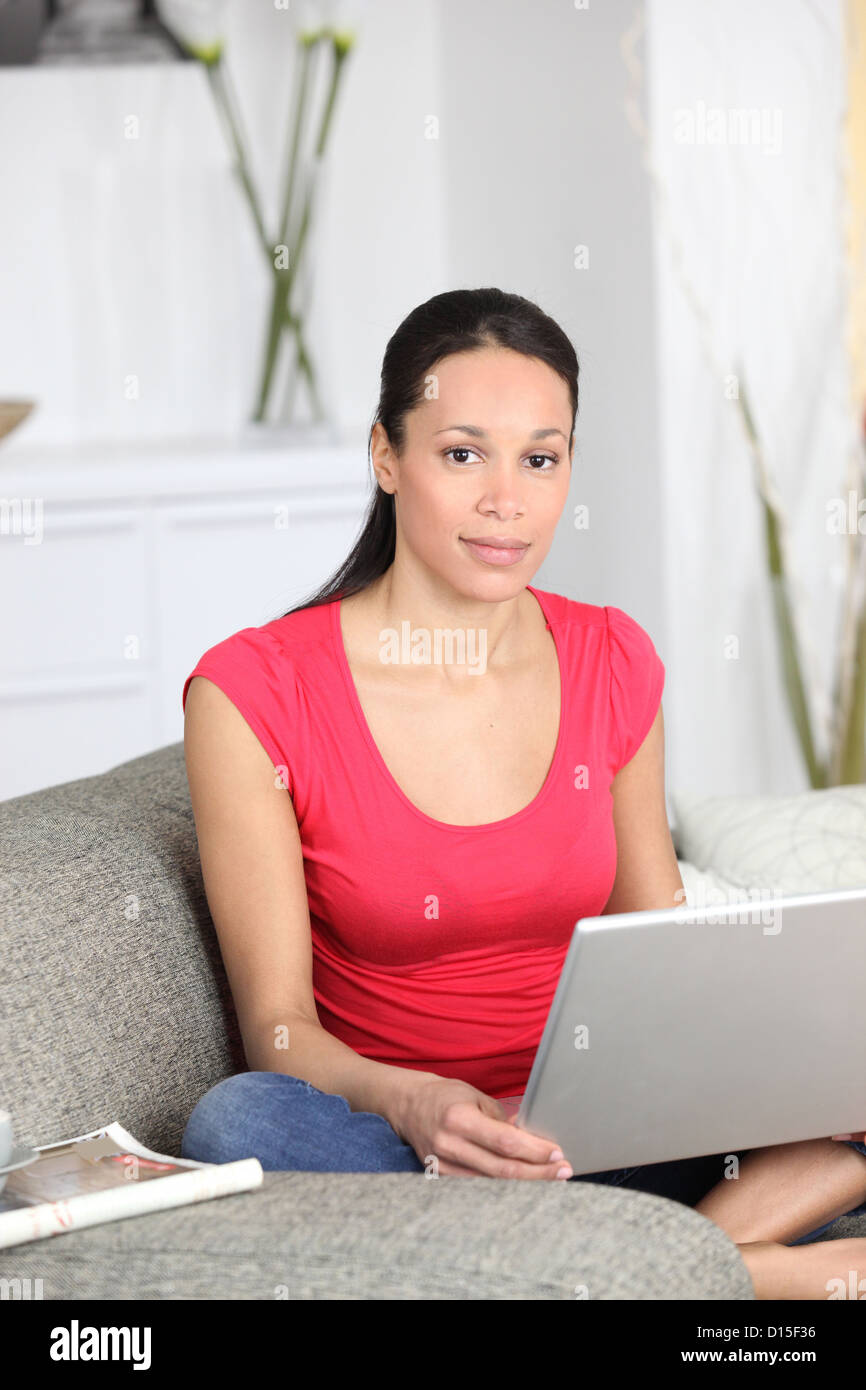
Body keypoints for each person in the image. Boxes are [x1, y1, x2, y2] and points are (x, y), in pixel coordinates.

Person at [180, 287, 866, 1299]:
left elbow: (659, 951)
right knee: (235, 1122)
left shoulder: (610, 657)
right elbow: (276, 1028)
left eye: (538, 458)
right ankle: (748, 1269)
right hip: (403, 1146)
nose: (505, 498)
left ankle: (623, 1269)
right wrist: (414, 1103)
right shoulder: (252, 691)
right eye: (462, 453)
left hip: (605, 1133)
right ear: (385, 457)